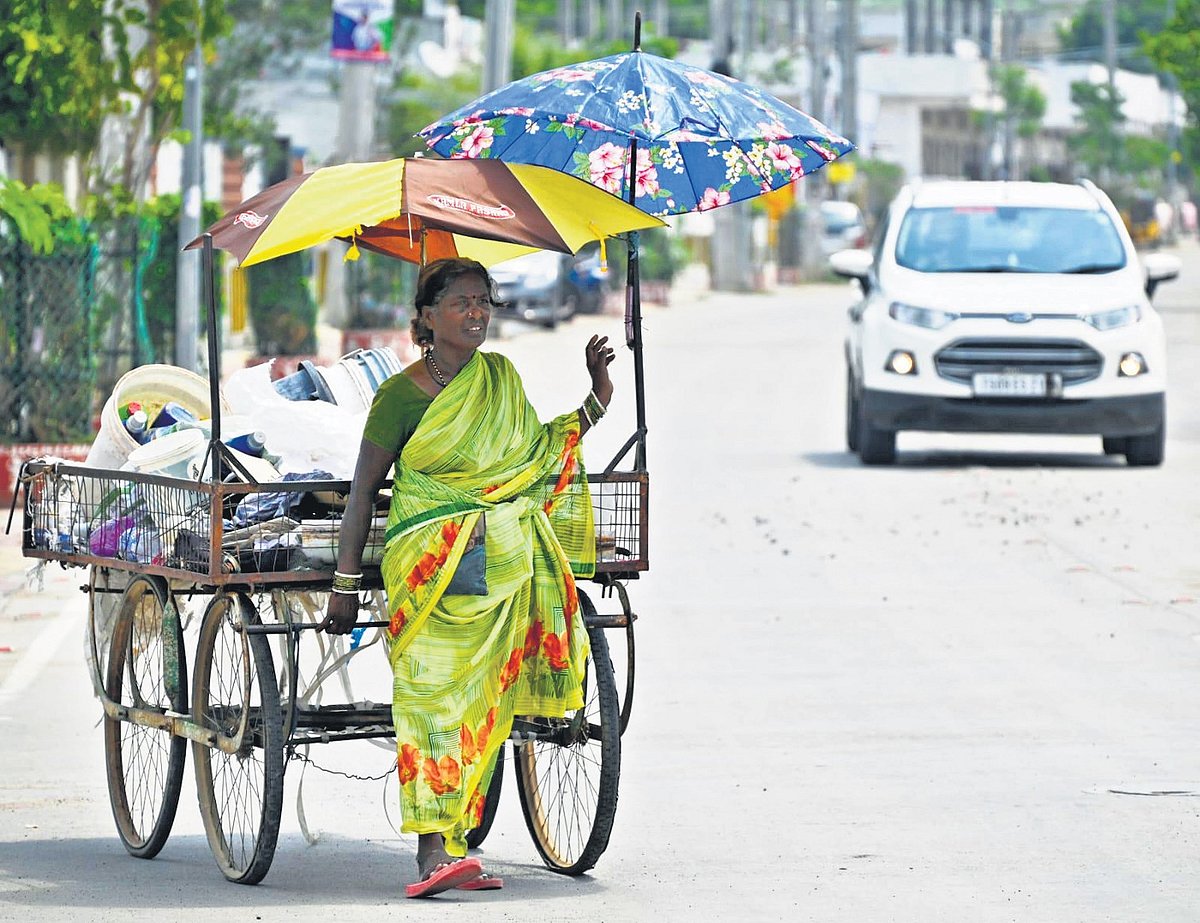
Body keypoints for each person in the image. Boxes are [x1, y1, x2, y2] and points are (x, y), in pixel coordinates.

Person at [320, 257, 614, 898]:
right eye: (462, 302)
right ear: (427, 317)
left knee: (481, 698)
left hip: (501, 558)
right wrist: (344, 585)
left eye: (484, 300)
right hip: (432, 562)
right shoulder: (399, 396)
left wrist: (597, 398)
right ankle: (431, 853)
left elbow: (537, 457)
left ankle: (452, 844)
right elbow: (363, 494)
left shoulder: (500, 378)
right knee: (433, 698)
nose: (477, 312)